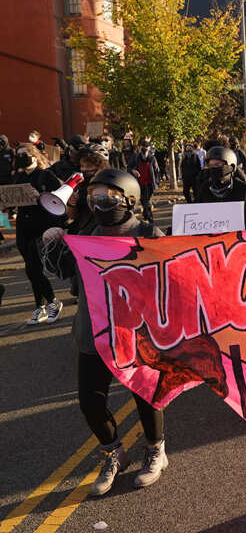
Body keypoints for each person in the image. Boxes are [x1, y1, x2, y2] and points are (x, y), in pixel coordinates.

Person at [42, 168, 168, 496]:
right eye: (94, 196)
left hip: (137, 332)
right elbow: (59, 271)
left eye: (107, 196)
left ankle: (156, 450)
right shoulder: (86, 233)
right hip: (94, 331)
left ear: (128, 198)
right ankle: (114, 452)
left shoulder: (149, 233)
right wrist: (53, 242)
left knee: (145, 395)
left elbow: (176, 274)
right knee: (90, 402)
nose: (98, 203)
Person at [13, 143, 64, 324]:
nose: (21, 158)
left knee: (34, 267)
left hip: (41, 226)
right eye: (18, 155)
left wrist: (41, 195)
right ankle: (40, 306)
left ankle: (52, 302)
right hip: (23, 227)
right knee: (30, 268)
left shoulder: (46, 175)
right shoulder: (18, 177)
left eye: (25, 154)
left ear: (35, 156)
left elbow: (59, 200)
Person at [127, 139, 160, 221]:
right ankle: (146, 216)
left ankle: (150, 218)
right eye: (143, 146)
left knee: (148, 201)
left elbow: (157, 171)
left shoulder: (152, 158)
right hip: (139, 183)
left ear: (149, 148)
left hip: (149, 184)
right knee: (143, 200)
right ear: (140, 147)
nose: (145, 148)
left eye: (147, 147)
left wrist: (156, 182)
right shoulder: (135, 157)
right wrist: (133, 171)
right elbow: (128, 167)